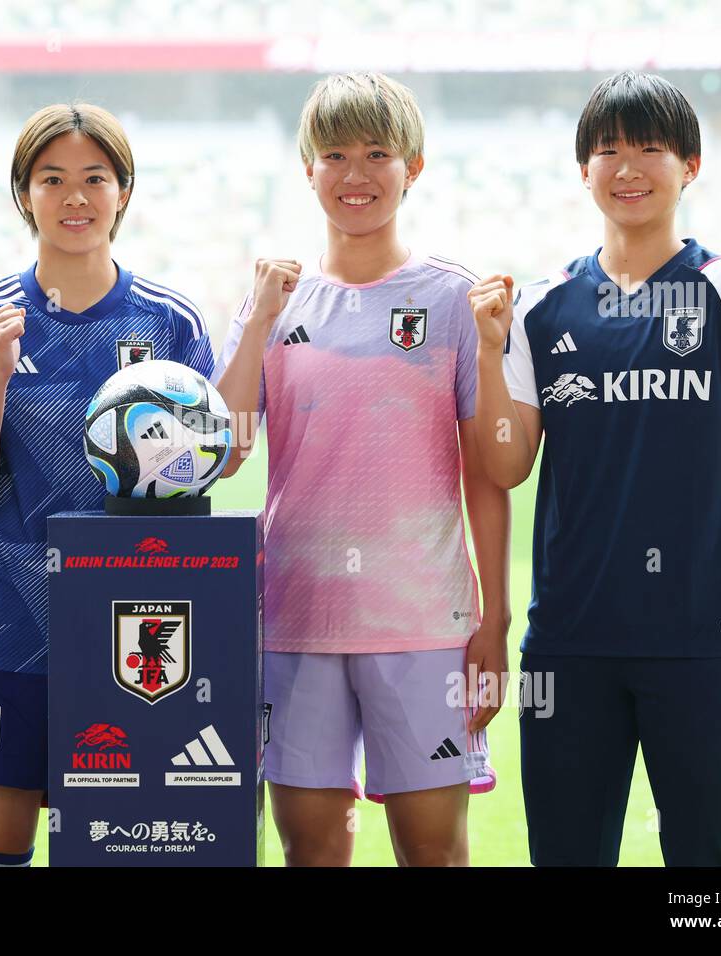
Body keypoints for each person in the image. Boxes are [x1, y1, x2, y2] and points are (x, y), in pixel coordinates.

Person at [467, 70, 721, 866]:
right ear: (582, 169)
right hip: (570, 643)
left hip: (702, 640)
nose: (628, 167)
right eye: (608, 150)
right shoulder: (543, 305)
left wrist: (706, 557)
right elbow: (506, 465)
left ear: (690, 165)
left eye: (651, 148)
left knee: (707, 864)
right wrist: (487, 350)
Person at [212, 72, 512, 867]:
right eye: (335, 154)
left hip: (425, 621)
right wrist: (259, 323)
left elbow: (487, 474)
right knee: (312, 851)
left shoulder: (453, 298)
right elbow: (227, 448)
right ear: (307, 167)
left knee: (434, 853)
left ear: (414, 167)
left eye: (378, 153)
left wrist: (496, 620)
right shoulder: (274, 300)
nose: (356, 174)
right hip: (297, 617)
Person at [0, 103, 216, 868]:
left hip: (136, 639)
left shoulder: (172, 323)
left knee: (119, 854)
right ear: (24, 195)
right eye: (52, 179)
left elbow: (198, 483)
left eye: (95, 178)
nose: (75, 197)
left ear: (125, 191)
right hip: (4, 629)